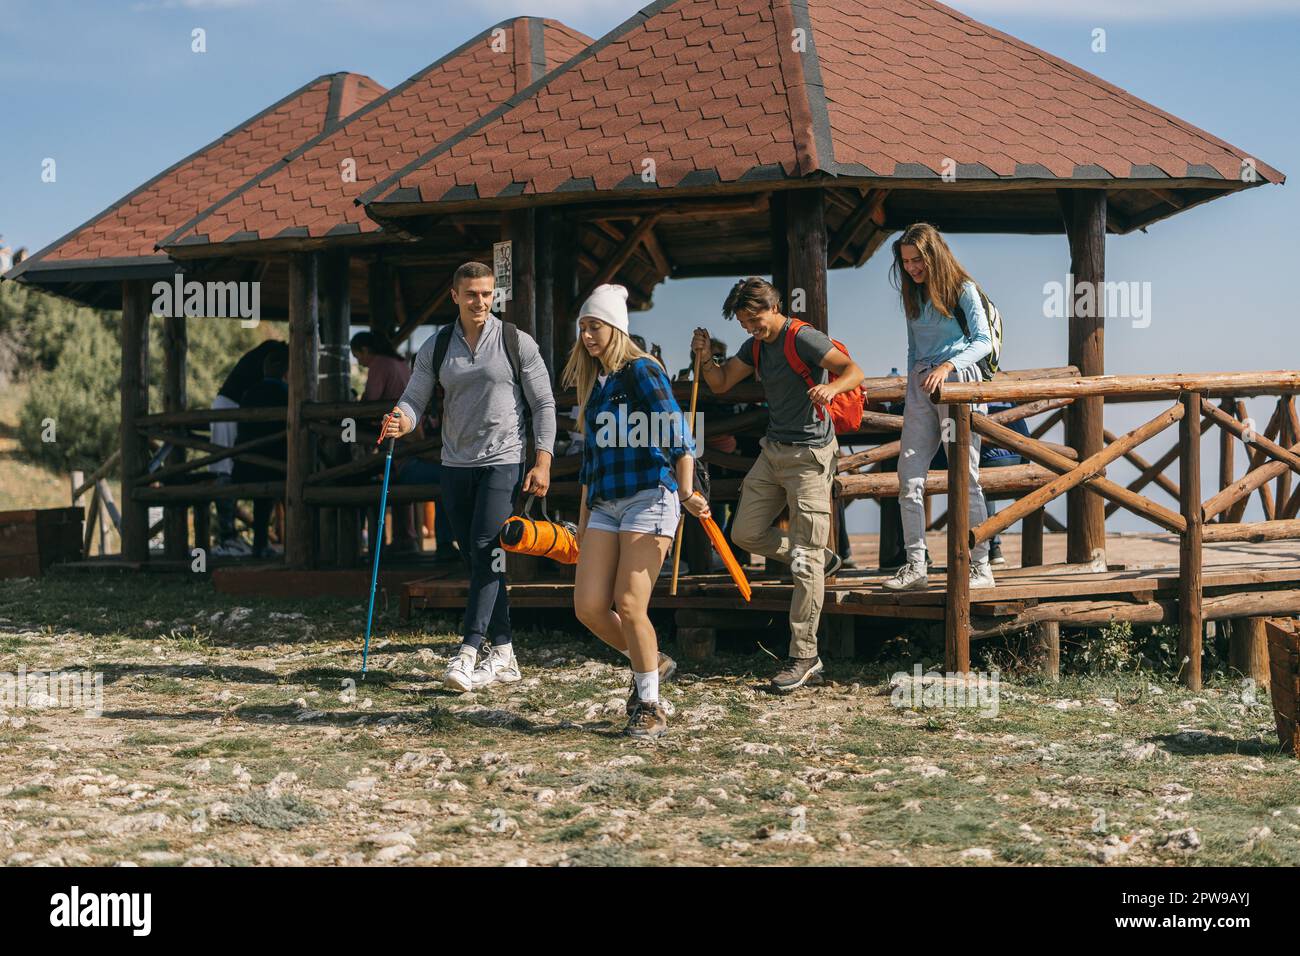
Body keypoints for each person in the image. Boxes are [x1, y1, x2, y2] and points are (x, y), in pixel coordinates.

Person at [381, 261, 556, 693]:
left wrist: (543, 459)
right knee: (475, 556)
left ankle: (468, 649)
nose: (480, 301)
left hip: (504, 459)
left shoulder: (516, 341)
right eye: (471, 294)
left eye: (486, 294)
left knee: (485, 545)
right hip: (456, 463)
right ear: (454, 296)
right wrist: (398, 421)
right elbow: (413, 400)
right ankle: (505, 650)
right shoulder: (438, 345)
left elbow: (544, 404)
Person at [692, 277, 866, 693]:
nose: (751, 328)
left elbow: (853, 370)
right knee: (744, 532)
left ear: (774, 307)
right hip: (773, 452)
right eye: (743, 322)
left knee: (803, 563)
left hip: (810, 457)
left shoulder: (801, 336)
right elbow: (719, 384)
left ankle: (804, 655)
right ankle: (819, 559)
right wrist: (704, 358)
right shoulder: (755, 345)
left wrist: (830, 386)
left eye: (755, 319)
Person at [566, 284, 706, 738]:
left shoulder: (641, 371)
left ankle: (650, 705)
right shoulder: (597, 384)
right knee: (588, 606)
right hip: (605, 504)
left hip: (651, 495)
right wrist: (583, 523)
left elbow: (678, 435)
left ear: (616, 328)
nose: (588, 335)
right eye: (583, 327)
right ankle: (654, 661)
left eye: (595, 326)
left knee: (629, 604)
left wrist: (685, 491)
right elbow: (589, 463)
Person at [880, 222, 995, 592]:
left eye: (917, 260)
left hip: (959, 384)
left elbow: (984, 342)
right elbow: (914, 347)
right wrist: (910, 389)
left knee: (966, 476)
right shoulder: (912, 296)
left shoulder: (962, 289)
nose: (912, 268)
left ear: (934, 255)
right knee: (908, 476)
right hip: (921, 386)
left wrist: (949, 366)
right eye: (906, 262)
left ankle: (981, 566)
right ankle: (916, 565)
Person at [211, 339, 287, 557]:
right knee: (224, 471)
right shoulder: (276, 354)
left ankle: (250, 540)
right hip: (231, 408)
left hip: (235, 407)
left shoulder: (270, 353)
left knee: (230, 469)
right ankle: (228, 537)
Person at [350, 331, 419, 554]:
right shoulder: (400, 363)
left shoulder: (379, 364)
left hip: (396, 431)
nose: (359, 362)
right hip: (413, 431)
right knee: (399, 482)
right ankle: (405, 537)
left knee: (392, 479)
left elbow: (371, 399)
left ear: (365, 350)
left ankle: (401, 539)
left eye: (357, 356)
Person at [231, 347, 289, 559]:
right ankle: (299, 546)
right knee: (297, 490)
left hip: (247, 465)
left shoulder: (249, 393)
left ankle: (260, 544)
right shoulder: (287, 393)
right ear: (287, 371)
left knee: (261, 502)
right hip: (278, 467)